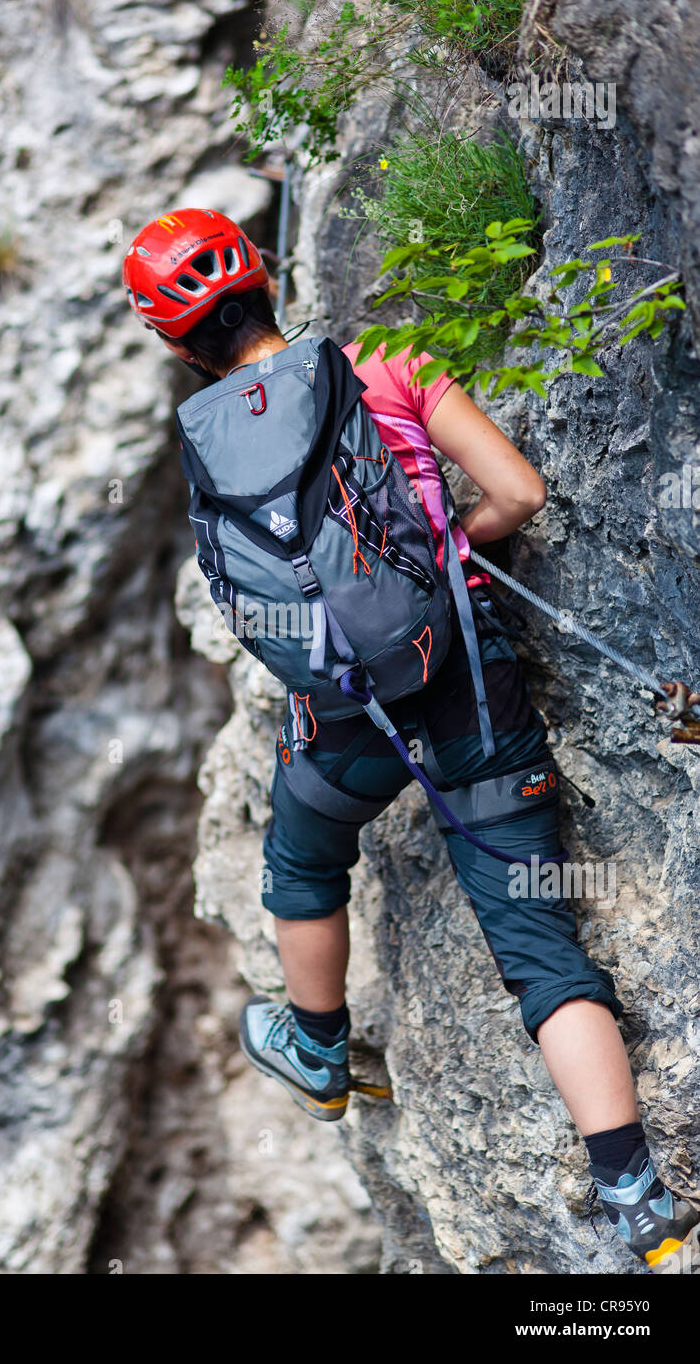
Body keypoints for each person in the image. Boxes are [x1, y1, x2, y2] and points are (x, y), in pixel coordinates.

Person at [123, 207, 699, 1274]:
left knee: (300, 859)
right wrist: (442, 559)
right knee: (538, 953)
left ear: (174, 347)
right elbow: (518, 491)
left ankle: (320, 1048)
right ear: (262, 275)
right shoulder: (384, 365)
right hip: (469, 693)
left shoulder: (209, 446)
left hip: (344, 722)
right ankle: (635, 1195)